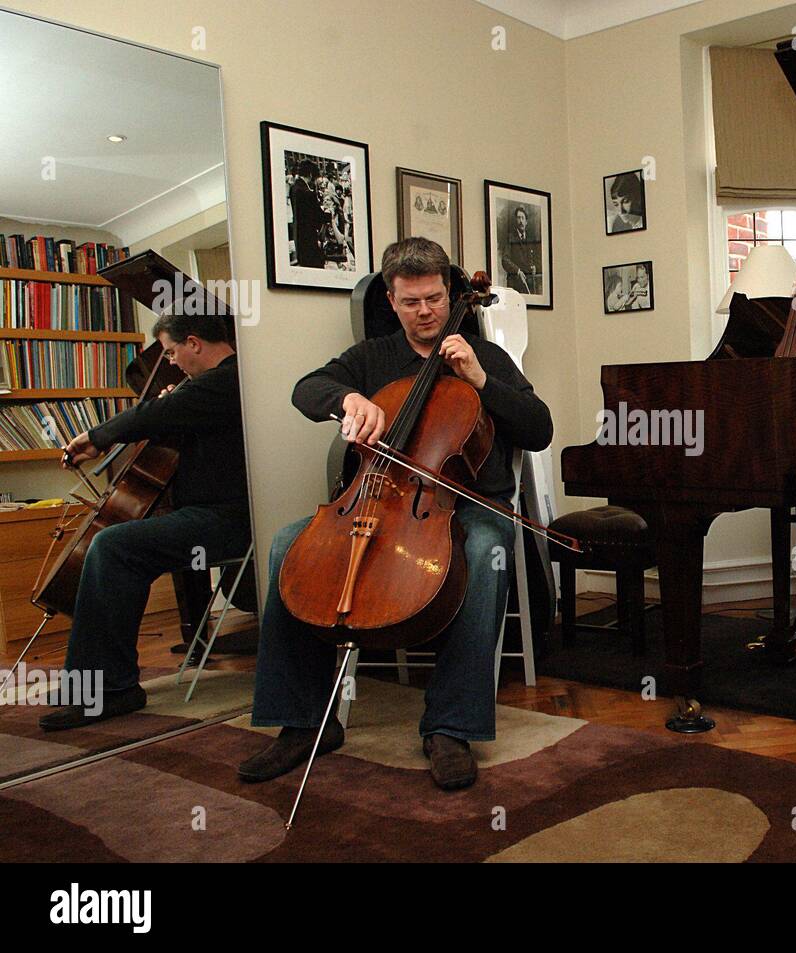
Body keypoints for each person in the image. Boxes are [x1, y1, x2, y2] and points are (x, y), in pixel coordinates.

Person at [237, 237, 553, 791]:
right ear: (391, 298)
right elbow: (306, 388)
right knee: (289, 543)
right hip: (380, 502)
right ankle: (304, 722)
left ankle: (450, 728)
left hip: (470, 505)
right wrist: (347, 401)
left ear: (450, 293)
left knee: (487, 549)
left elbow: (539, 428)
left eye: (433, 298)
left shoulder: (488, 357)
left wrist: (481, 380)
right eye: (411, 302)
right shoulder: (372, 358)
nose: (425, 311)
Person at [39, 312, 248, 730]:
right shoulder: (214, 386)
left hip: (230, 522)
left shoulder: (228, 379)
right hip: (207, 514)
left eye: (171, 351)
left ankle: (110, 688)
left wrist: (96, 438)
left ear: (193, 343)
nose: (171, 361)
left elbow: (150, 416)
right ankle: (96, 679)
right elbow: (171, 416)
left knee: (114, 545)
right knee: (120, 546)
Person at [288, 159, 327, 268]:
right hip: (309, 238)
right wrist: (328, 215)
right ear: (310, 174)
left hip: (298, 236)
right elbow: (318, 217)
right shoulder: (308, 193)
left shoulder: (293, 188)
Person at [500, 205, 541, 295]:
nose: (521, 221)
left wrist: (536, 267)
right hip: (514, 285)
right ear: (516, 221)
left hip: (530, 284)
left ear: (526, 222)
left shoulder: (531, 239)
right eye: (518, 218)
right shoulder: (510, 238)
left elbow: (539, 258)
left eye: (523, 218)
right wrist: (517, 271)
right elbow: (505, 260)